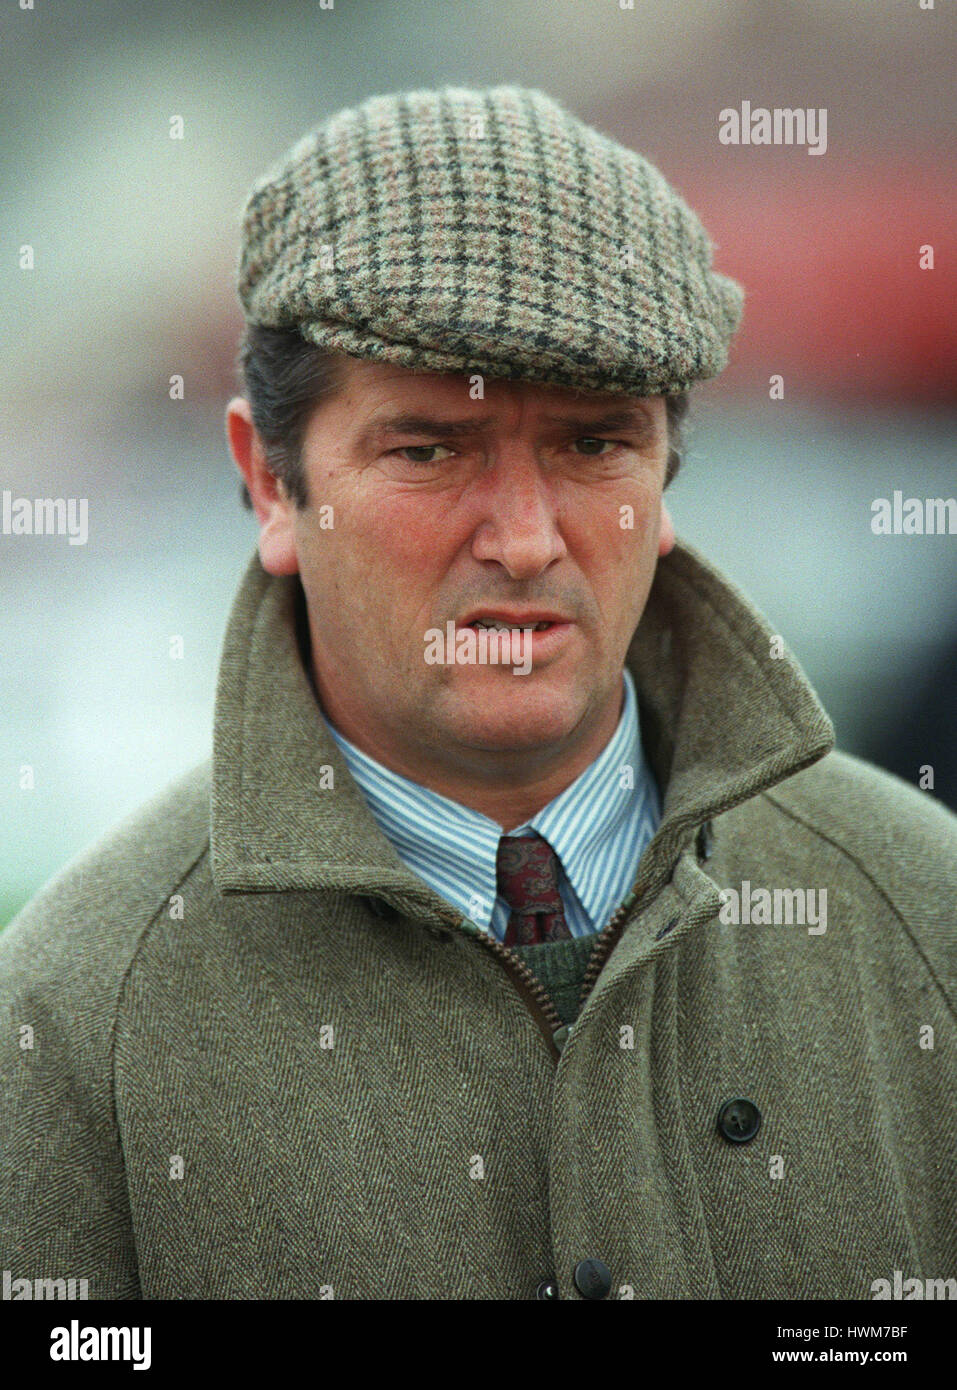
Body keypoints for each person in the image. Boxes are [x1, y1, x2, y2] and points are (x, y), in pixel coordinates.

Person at [2, 85, 955, 1302]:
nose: (521, 538)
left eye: (592, 444)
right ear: (271, 486)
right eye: (430, 450)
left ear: (664, 480)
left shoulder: (927, 923)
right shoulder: (71, 1026)